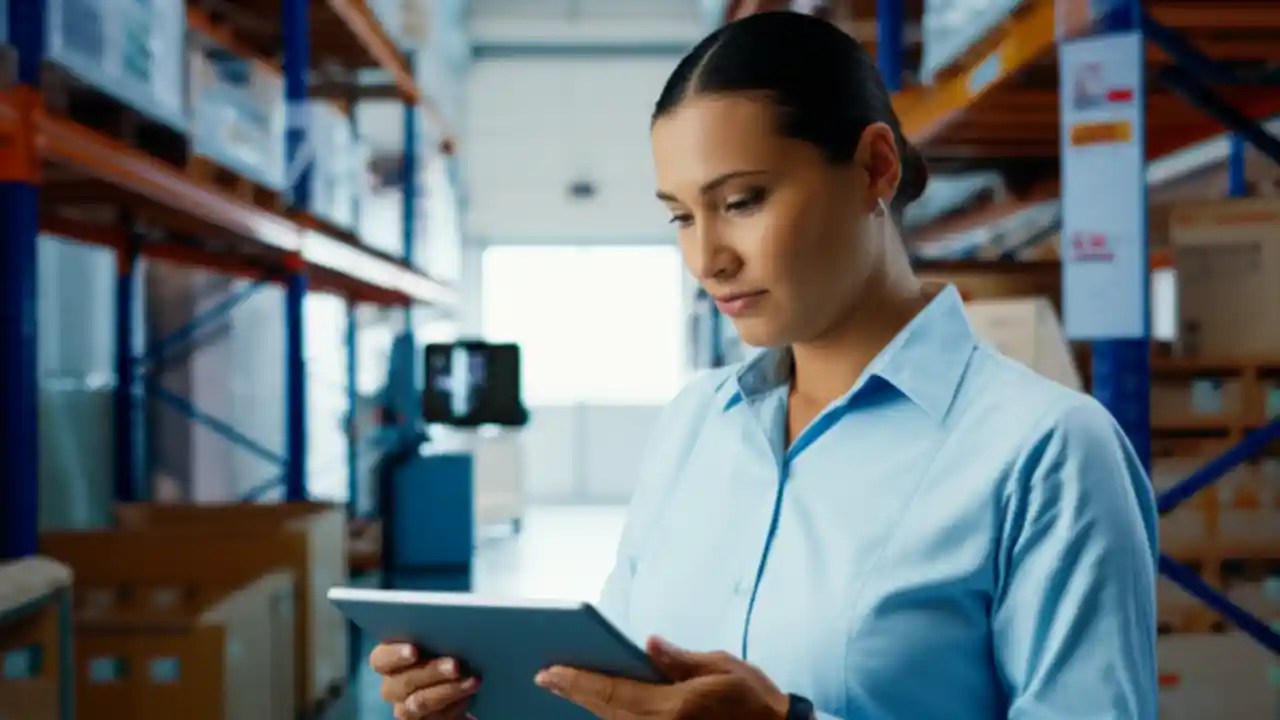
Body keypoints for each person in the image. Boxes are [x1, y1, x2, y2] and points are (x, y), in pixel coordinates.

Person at [370, 11, 1158, 720]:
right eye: (681, 216)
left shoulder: (1047, 452)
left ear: (875, 169)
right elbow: (625, 697)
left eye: (743, 201)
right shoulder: (694, 423)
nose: (707, 259)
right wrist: (480, 706)